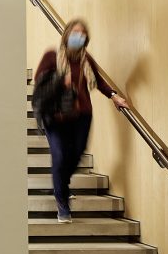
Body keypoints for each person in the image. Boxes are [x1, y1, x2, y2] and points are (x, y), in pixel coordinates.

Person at [34, 18, 129, 223]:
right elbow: (40, 82)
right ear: (67, 34)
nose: (79, 36)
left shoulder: (86, 60)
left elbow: (100, 81)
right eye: (75, 32)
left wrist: (114, 97)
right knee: (60, 156)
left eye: (83, 34)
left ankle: (60, 184)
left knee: (75, 156)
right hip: (56, 116)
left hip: (82, 116)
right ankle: (62, 204)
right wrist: (61, 80)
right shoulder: (52, 56)